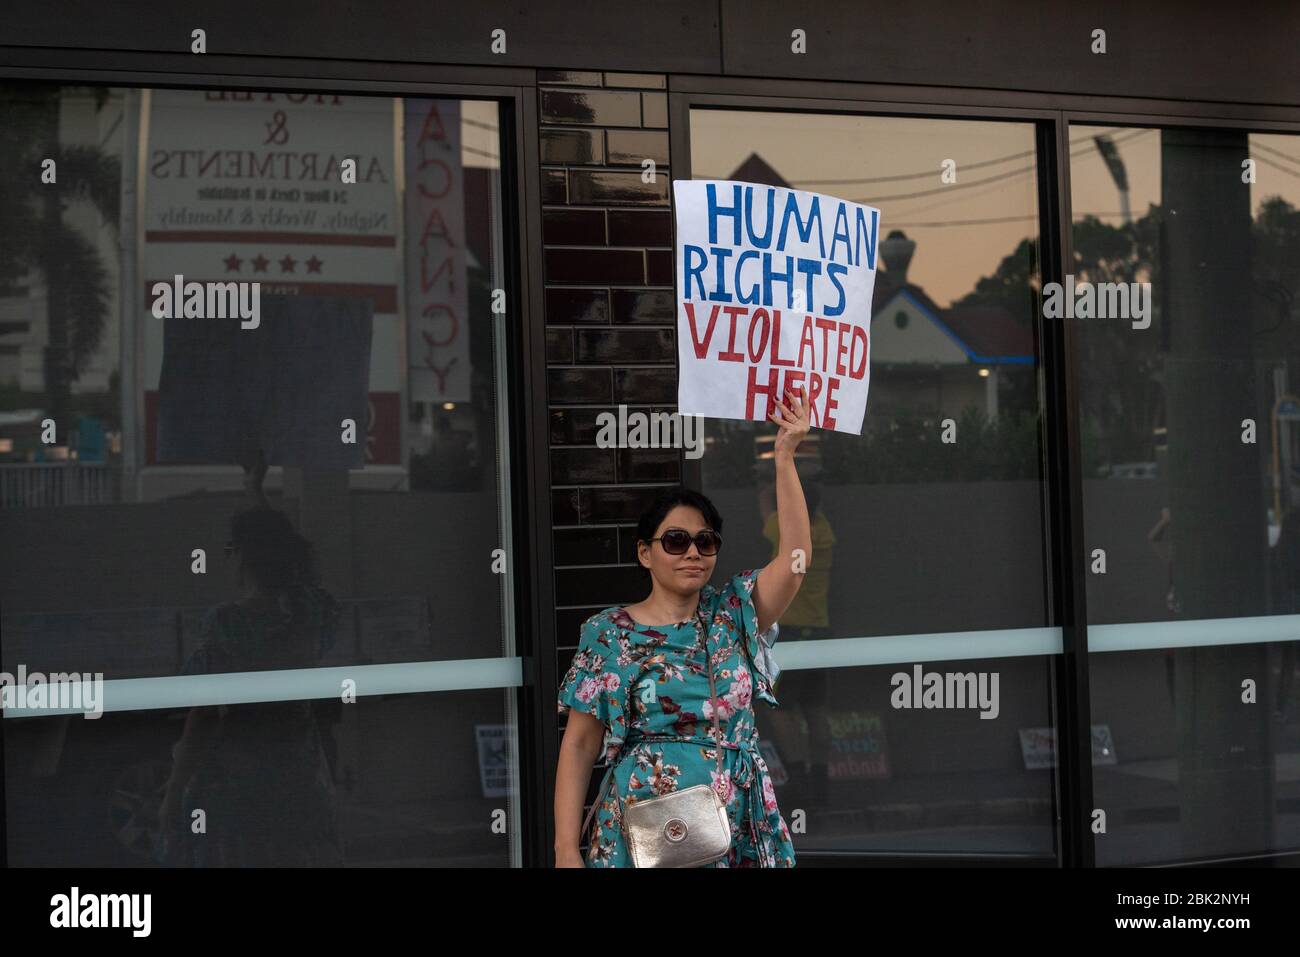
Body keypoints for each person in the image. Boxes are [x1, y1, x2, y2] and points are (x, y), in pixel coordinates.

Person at [553, 387, 813, 867]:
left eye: (704, 541)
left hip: (736, 819)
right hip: (644, 830)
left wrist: (784, 459)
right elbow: (580, 743)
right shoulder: (608, 633)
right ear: (645, 553)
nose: (692, 552)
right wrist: (565, 849)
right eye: (675, 541)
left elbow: (795, 564)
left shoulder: (733, 612)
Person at [157, 449, 344, 866]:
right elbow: (295, 568)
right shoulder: (312, 610)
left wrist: (174, 791)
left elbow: (204, 716)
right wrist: (254, 492)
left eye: (229, 549)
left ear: (242, 556)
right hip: (302, 779)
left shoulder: (227, 623)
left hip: (242, 788)